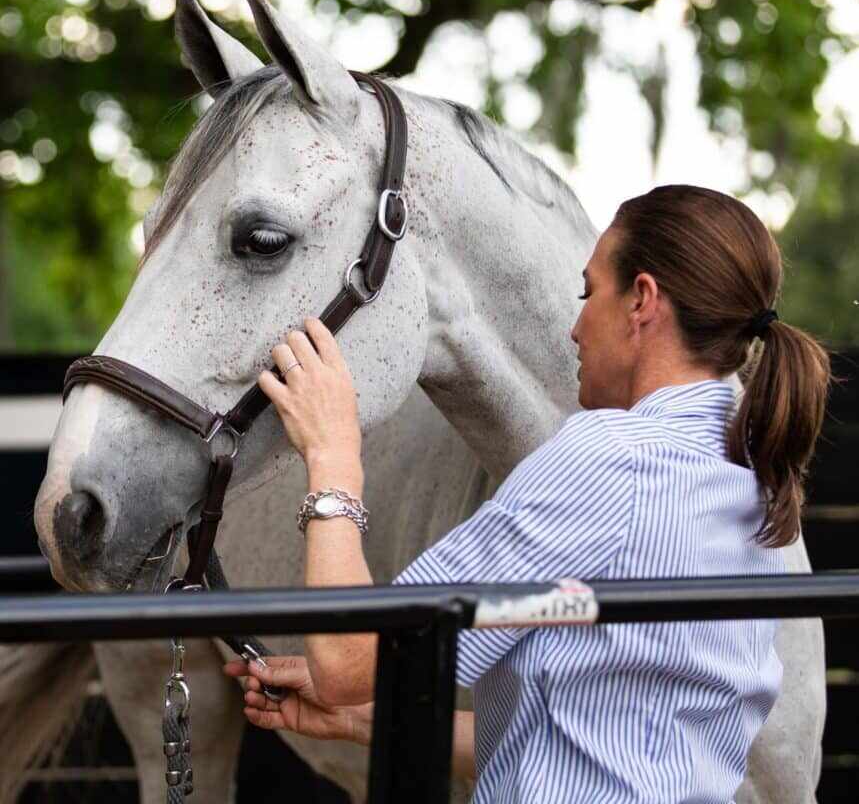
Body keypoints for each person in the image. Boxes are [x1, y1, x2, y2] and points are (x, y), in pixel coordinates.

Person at [224, 184, 830, 803]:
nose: (575, 327)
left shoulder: (608, 460)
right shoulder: (749, 472)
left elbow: (347, 658)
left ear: (642, 301)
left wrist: (331, 456)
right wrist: (357, 720)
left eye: (589, 292)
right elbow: (592, 737)